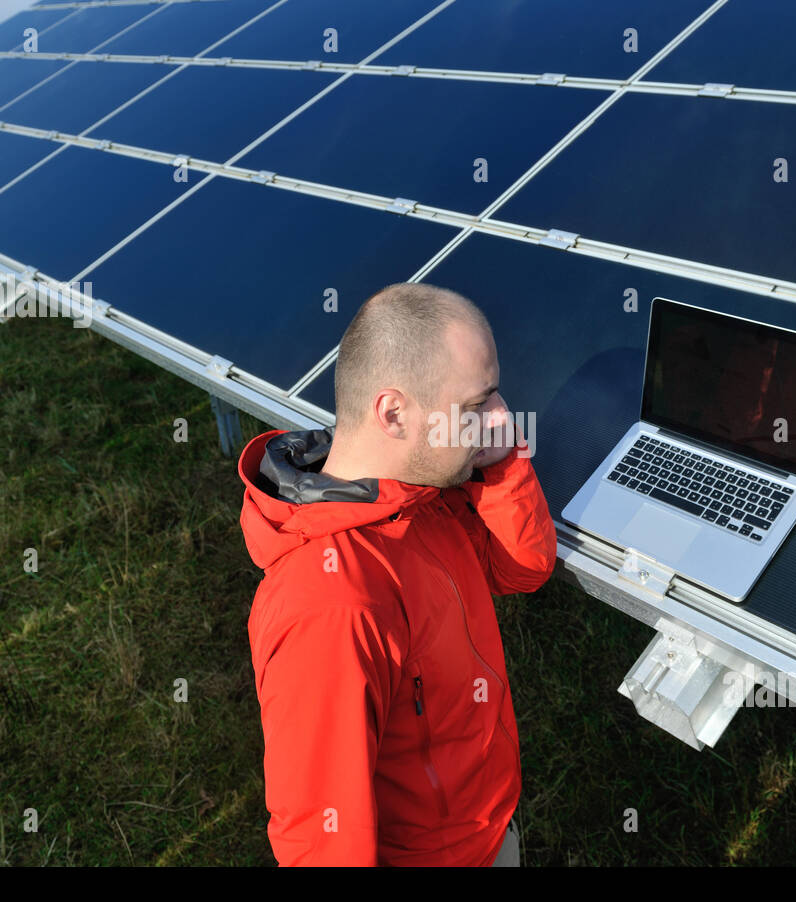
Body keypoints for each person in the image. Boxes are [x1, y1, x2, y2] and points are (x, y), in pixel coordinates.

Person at [236, 282, 558, 865]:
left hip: (484, 829)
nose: (504, 416)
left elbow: (522, 569)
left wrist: (499, 456)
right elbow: (324, 843)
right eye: (477, 404)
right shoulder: (332, 607)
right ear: (393, 413)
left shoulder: (417, 495)